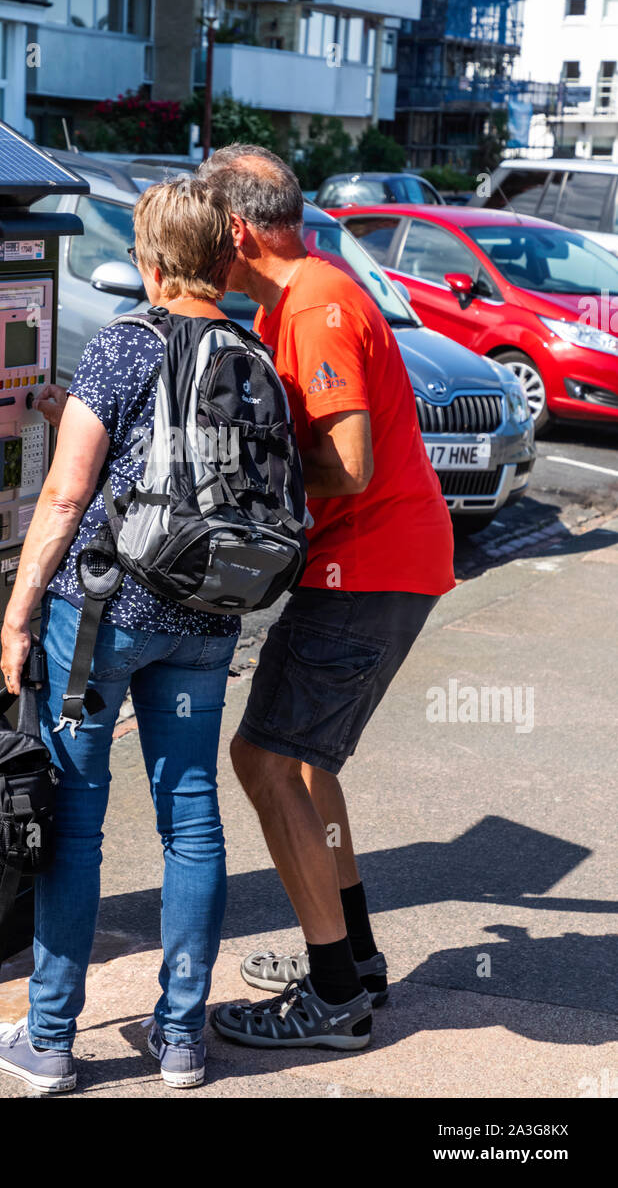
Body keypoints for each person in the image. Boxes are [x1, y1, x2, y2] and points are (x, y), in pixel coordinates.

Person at [197, 144, 455, 1052]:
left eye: (202, 224)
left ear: (234, 230)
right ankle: (354, 959)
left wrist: (238, 467)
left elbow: (346, 464)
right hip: (383, 562)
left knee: (263, 761)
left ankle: (336, 997)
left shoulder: (312, 303)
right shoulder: (310, 293)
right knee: (305, 766)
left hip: (366, 566)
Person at [0, 177, 241, 1093]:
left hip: (103, 617)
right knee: (192, 820)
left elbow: (65, 495)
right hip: (207, 620)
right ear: (223, 256)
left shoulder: (124, 346)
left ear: (151, 260)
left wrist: (19, 613)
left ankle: (50, 1041)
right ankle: (180, 1042)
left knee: (75, 823)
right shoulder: (247, 352)